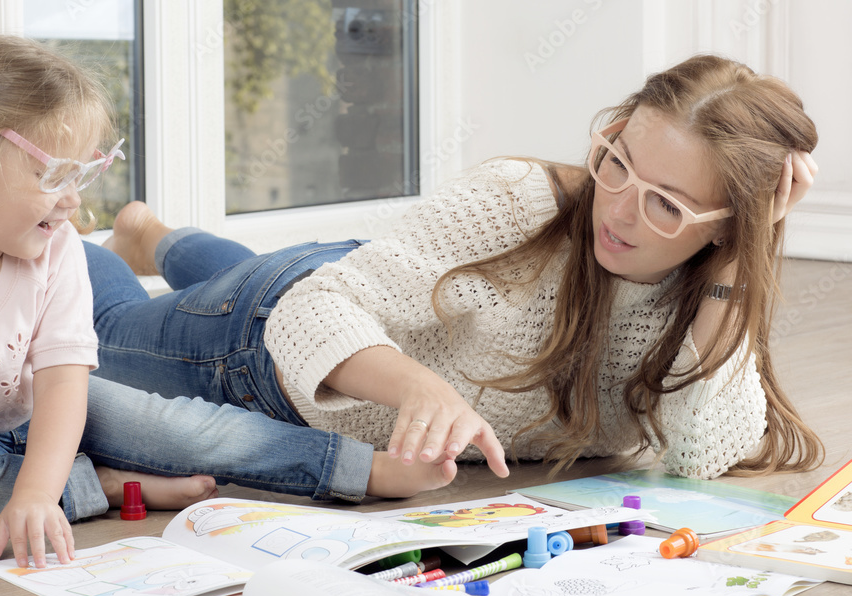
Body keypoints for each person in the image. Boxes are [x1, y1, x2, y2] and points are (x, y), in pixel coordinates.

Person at [0, 35, 450, 583]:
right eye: (54, 174)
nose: (71, 200)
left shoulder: (57, 249)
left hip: (42, 411)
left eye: (82, 174)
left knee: (177, 425)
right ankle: (107, 488)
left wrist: (37, 490)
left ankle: (352, 469)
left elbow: (63, 382)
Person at [89, 54, 823, 484]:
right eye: (617, 162)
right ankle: (99, 242)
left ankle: (151, 233)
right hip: (264, 342)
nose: (620, 211)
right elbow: (310, 311)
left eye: (665, 203)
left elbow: (700, 453)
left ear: (726, 226)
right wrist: (420, 387)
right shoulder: (518, 200)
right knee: (105, 329)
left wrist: (740, 258)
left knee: (256, 271)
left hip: (347, 295)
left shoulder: (709, 285)